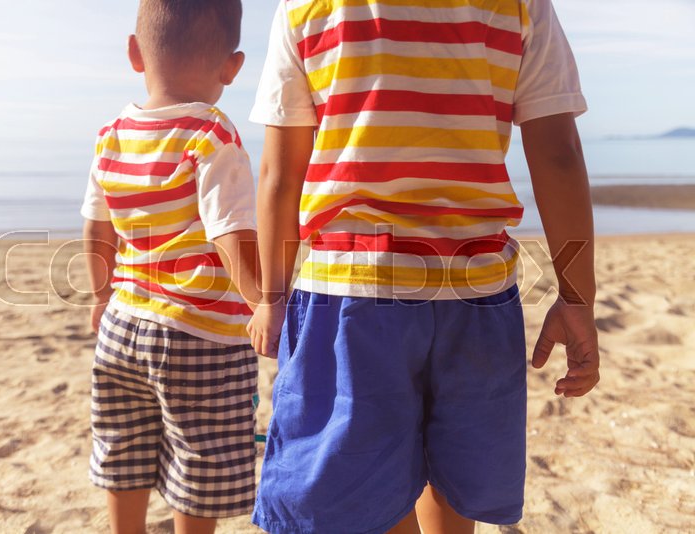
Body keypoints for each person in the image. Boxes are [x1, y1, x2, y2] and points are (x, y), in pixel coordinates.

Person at [246, 0, 600, 533]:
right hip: (475, 293)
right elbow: (558, 155)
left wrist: (272, 295)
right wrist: (576, 296)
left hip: (352, 295)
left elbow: (280, 173)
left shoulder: (306, 9)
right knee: (454, 481)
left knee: (360, 498)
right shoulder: (518, 7)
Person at [80, 1, 261, 533]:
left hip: (121, 326)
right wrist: (264, 302)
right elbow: (229, 231)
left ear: (135, 54)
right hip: (198, 334)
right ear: (232, 67)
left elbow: (98, 229)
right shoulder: (210, 134)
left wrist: (99, 295)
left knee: (123, 444)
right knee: (201, 458)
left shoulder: (112, 135)